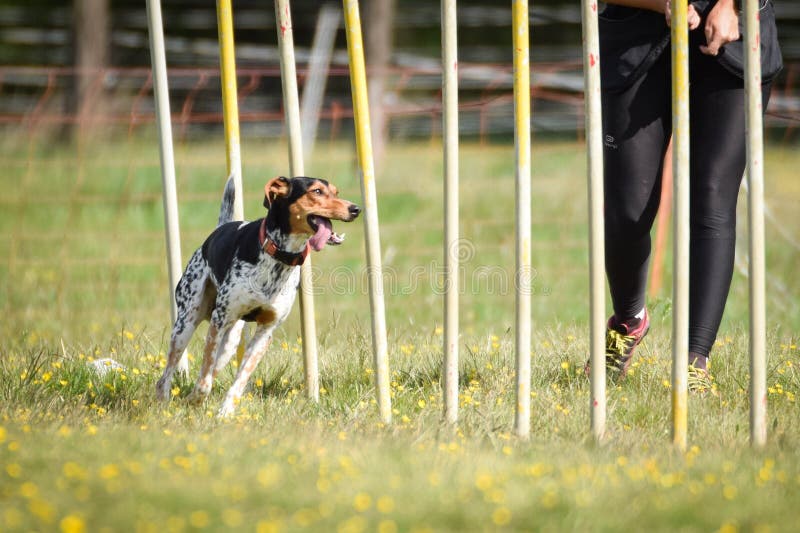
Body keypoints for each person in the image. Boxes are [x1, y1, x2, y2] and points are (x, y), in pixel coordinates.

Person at [593, 0, 782, 387]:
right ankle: (629, 320)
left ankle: (695, 360)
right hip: (637, 33)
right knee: (627, 212)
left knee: (712, 197)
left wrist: (731, 6)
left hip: (734, 30)